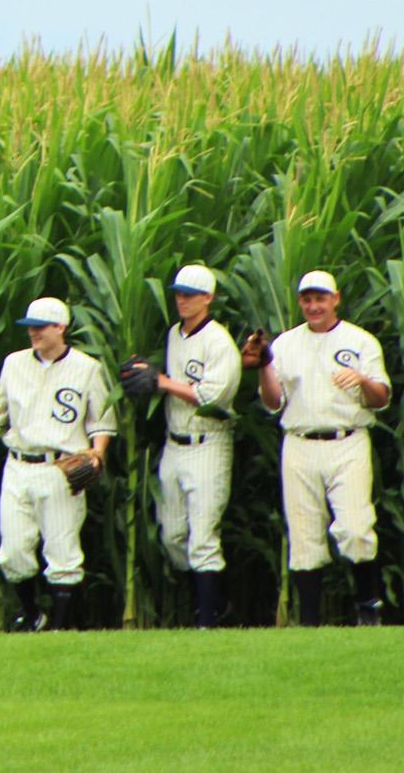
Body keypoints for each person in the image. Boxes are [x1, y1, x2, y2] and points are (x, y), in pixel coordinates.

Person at [247, 270, 391, 626]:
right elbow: (272, 401)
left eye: (320, 298)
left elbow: (382, 398)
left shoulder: (360, 341)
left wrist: (362, 379)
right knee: (304, 534)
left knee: (356, 528)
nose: (314, 305)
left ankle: (368, 609)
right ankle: (310, 623)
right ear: (300, 302)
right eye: (307, 299)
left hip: (348, 441)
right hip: (299, 442)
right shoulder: (285, 344)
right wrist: (264, 363)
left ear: (335, 299)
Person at [0, 297, 116, 631]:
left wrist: (97, 454)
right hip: (18, 464)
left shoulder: (86, 367)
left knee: (62, 550)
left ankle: (61, 627)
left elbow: (102, 421)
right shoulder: (14, 364)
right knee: (14, 551)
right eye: (30, 327)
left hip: (60, 467)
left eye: (40, 327)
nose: (33, 332)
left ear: (60, 327)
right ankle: (32, 614)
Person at [147, 264, 241, 628]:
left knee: (202, 537)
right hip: (175, 444)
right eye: (178, 293)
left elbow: (210, 398)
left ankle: (206, 623)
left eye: (190, 294)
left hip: (208, 442)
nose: (182, 300)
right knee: (173, 536)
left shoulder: (219, 342)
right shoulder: (175, 333)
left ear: (208, 298)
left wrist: (161, 382)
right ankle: (217, 604)